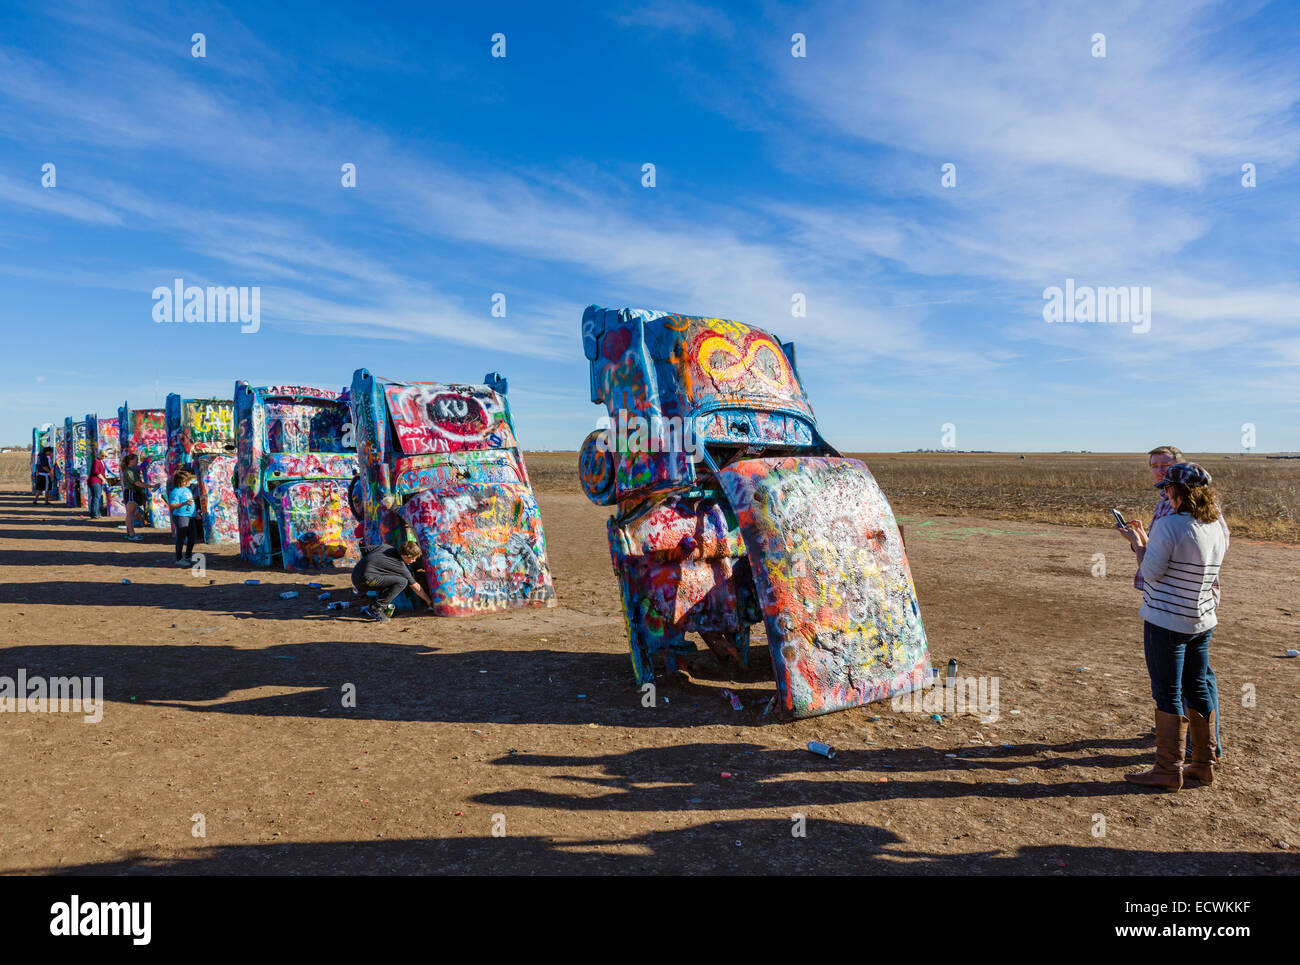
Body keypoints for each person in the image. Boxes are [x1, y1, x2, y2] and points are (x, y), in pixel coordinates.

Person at [1118, 463, 1227, 790]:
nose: (1165, 493)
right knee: (1196, 686)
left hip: (1166, 620)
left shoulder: (1169, 525)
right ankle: (1203, 764)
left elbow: (1150, 572)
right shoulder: (1215, 527)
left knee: (1167, 691)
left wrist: (1138, 544)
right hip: (1202, 621)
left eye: (1168, 489)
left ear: (1179, 492)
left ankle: (1167, 769)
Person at [352, 540, 431, 621]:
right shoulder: (400, 566)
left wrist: (369, 565)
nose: (414, 561)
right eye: (413, 559)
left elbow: (365, 549)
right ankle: (376, 608)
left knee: (390, 576)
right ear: (406, 556)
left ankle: (376, 603)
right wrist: (429, 601)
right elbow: (415, 586)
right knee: (402, 581)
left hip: (355, 574)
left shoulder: (386, 547)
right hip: (364, 581)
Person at [168, 469, 201, 566]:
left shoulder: (187, 490)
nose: (190, 482)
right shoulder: (175, 492)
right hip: (180, 516)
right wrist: (184, 503)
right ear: (183, 481)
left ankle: (188, 556)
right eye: (189, 480)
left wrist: (196, 514)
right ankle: (179, 559)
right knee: (181, 538)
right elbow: (172, 506)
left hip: (190, 516)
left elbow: (191, 503)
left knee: (192, 537)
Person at [121, 452, 146, 541]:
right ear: (131, 461)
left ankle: (129, 533)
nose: (137, 461)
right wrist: (150, 486)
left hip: (132, 492)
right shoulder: (129, 471)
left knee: (130, 514)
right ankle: (131, 534)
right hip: (131, 492)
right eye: (136, 460)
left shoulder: (132, 469)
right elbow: (137, 483)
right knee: (130, 515)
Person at [87, 449, 107, 519]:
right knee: (96, 497)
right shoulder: (96, 461)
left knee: (96, 497)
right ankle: (95, 514)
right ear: (100, 455)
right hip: (95, 481)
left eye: (105, 456)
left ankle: (95, 513)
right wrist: (103, 479)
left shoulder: (101, 462)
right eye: (103, 455)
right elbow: (96, 471)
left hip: (97, 481)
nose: (104, 457)